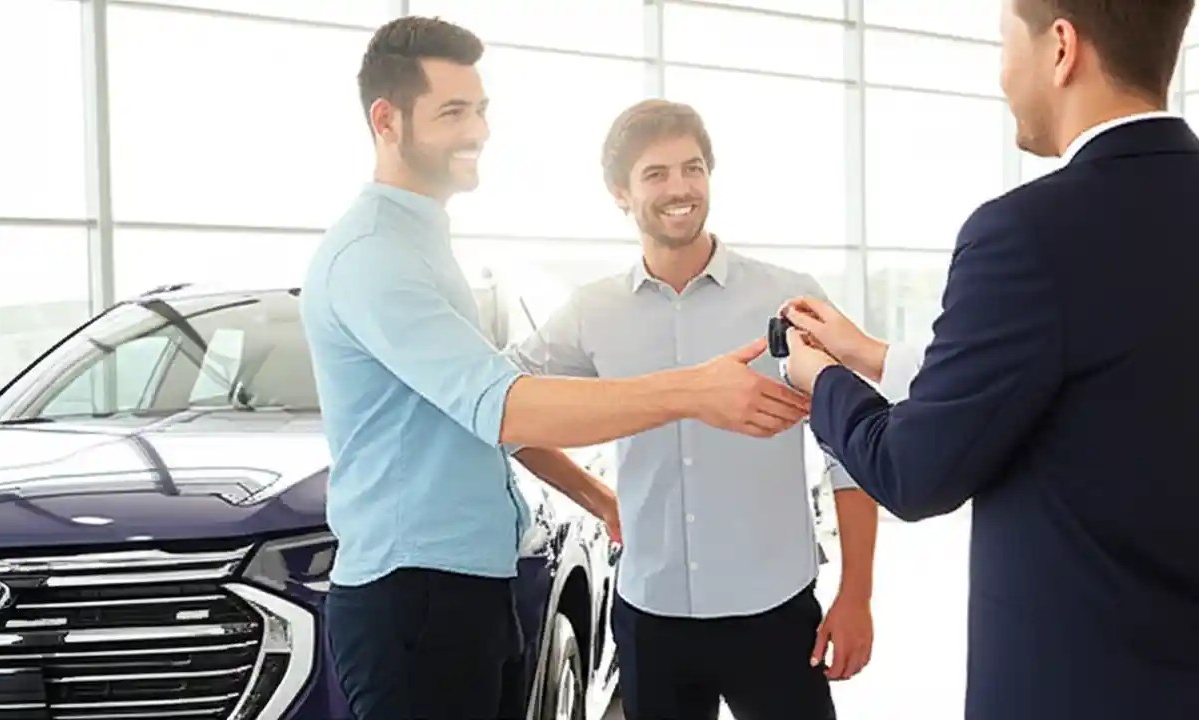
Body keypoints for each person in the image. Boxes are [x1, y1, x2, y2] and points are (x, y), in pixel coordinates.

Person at [299, 16, 813, 720]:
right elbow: (504, 405)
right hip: (414, 600)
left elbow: (485, 413)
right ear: (386, 121)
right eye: (453, 112)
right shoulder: (375, 257)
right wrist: (695, 390)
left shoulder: (420, 246)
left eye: (480, 110)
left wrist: (599, 500)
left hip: (463, 592)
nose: (477, 131)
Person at [778, 1, 1199, 718]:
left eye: (1005, 45)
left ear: (1061, 48)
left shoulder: (1026, 234)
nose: (1002, 75)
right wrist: (876, 356)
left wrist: (820, 378)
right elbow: (1106, 380)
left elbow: (913, 473)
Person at [509, 99, 878, 720]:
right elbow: (502, 408)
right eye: (656, 174)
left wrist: (857, 595)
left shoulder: (787, 298)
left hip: (776, 613)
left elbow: (850, 449)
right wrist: (598, 498)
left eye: (693, 168)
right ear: (619, 194)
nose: (680, 188)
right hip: (652, 619)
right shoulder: (592, 312)